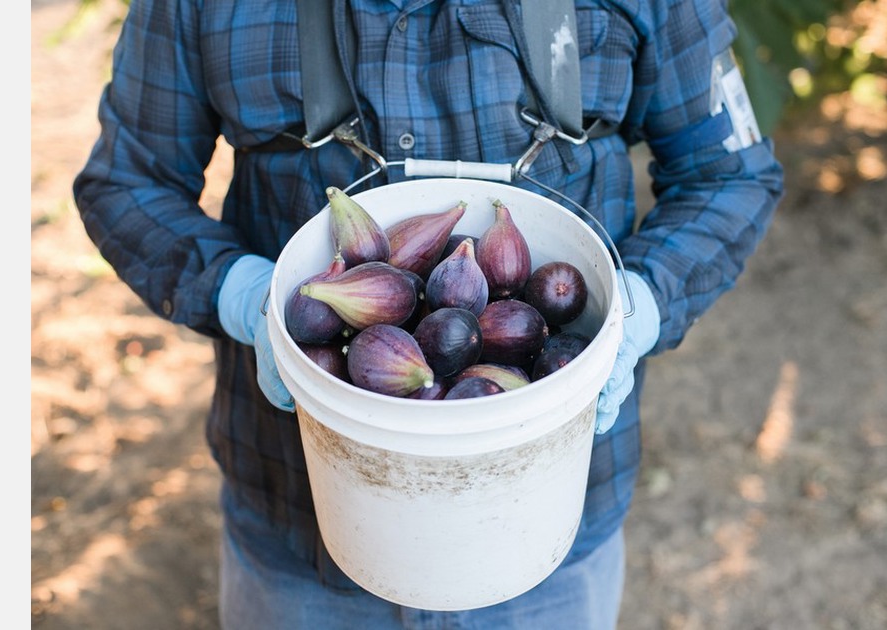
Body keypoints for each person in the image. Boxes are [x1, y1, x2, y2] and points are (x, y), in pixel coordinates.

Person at [73, 0, 784, 627]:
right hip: (299, 520)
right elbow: (127, 181)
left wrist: (641, 305)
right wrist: (240, 294)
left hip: (547, 518)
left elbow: (729, 172)